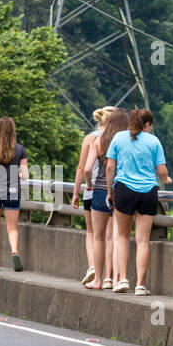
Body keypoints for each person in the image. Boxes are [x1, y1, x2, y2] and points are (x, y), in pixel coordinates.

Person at [105, 109, 171, 295]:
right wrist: (166, 180)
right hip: (148, 191)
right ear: (148, 124)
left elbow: (110, 167)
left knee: (123, 237)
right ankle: (140, 285)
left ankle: (123, 278)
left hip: (124, 189)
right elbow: (162, 170)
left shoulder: (118, 138)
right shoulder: (153, 141)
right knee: (142, 240)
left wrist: (110, 192)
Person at [82, 108, 127, 289]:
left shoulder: (98, 140)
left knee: (98, 237)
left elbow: (86, 169)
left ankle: (99, 280)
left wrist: (89, 184)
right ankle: (115, 279)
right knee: (117, 237)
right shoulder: (127, 142)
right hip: (122, 191)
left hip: (99, 191)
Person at [72, 107, 112, 285]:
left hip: (91, 190)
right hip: (112, 190)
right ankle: (109, 276)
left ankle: (92, 267)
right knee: (109, 236)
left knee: (92, 233)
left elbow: (82, 168)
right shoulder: (117, 137)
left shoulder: (90, 138)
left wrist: (76, 192)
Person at [0, 117, 28, 271]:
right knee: (12, 228)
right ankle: (14, 251)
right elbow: (25, 174)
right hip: (13, 191)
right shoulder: (20, 149)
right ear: (12, 131)